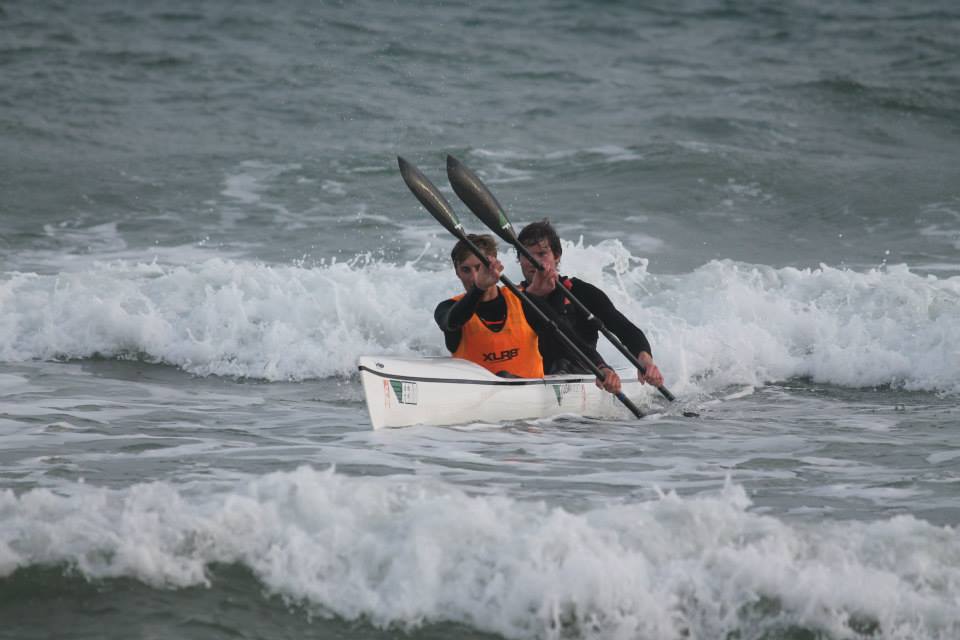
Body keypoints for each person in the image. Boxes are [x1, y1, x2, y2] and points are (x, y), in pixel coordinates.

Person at [434, 233, 618, 389]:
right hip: (476, 405)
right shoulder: (448, 308)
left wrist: (601, 366)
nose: (474, 276)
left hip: (531, 409)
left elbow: (565, 336)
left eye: (479, 268)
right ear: (457, 272)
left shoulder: (522, 300)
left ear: (495, 267)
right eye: (466, 270)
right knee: (503, 375)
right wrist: (479, 289)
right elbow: (452, 322)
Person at [518, 220, 665, 394]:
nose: (534, 262)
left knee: (562, 364)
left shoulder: (581, 292)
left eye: (542, 254)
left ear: (556, 256)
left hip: (586, 371)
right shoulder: (511, 297)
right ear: (519, 259)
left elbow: (624, 329)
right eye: (527, 255)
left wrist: (645, 361)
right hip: (528, 377)